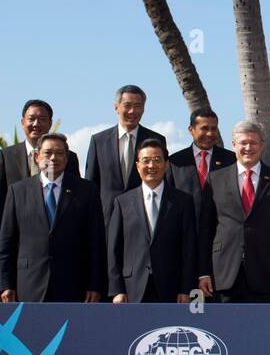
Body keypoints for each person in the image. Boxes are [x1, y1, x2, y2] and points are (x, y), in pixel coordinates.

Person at [0, 133, 105, 303]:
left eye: (60, 153)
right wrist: (5, 284)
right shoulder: (18, 191)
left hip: (74, 284)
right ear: (38, 156)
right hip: (28, 284)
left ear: (67, 158)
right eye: (47, 153)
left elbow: (96, 242)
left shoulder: (87, 191)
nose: (53, 158)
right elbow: (6, 243)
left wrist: (95, 285)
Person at [198, 121, 270, 303]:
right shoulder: (215, 179)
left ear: (262, 145)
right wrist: (203, 273)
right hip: (223, 275)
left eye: (253, 143)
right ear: (234, 145)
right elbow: (205, 229)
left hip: (266, 275)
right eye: (243, 143)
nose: (248, 148)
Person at [107, 138, 197, 303]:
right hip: (132, 288)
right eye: (146, 161)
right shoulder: (123, 202)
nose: (151, 166)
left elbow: (189, 248)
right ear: (137, 165)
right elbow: (114, 248)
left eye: (157, 160)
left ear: (166, 164)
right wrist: (116, 289)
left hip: (171, 287)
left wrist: (186, 288)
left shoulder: (182, 201)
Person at [0, 98, 79, 255]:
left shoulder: (67, 157)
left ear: (50, 123)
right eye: (31, 119)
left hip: (58, 235)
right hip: (18, 233)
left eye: (42, 119)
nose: (36, 124)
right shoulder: (7, 156)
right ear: (22, 122)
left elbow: (76, 196)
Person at [85, 84, 165, 226]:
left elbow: (163, 180)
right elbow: (91, 184)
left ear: (144, 109)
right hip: (106, 219)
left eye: (138, 106)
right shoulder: (99, 141)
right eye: (127, 105)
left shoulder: (157, 140)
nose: (132, 111)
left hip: (143, 217)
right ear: (116, 107)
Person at [167, 107, 235, 226]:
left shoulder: (231, 160)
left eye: (213, 129)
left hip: (219, 234)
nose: (209, 133)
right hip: (185, 232)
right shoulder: (175, 162)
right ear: (191, 129)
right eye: (204, 128)